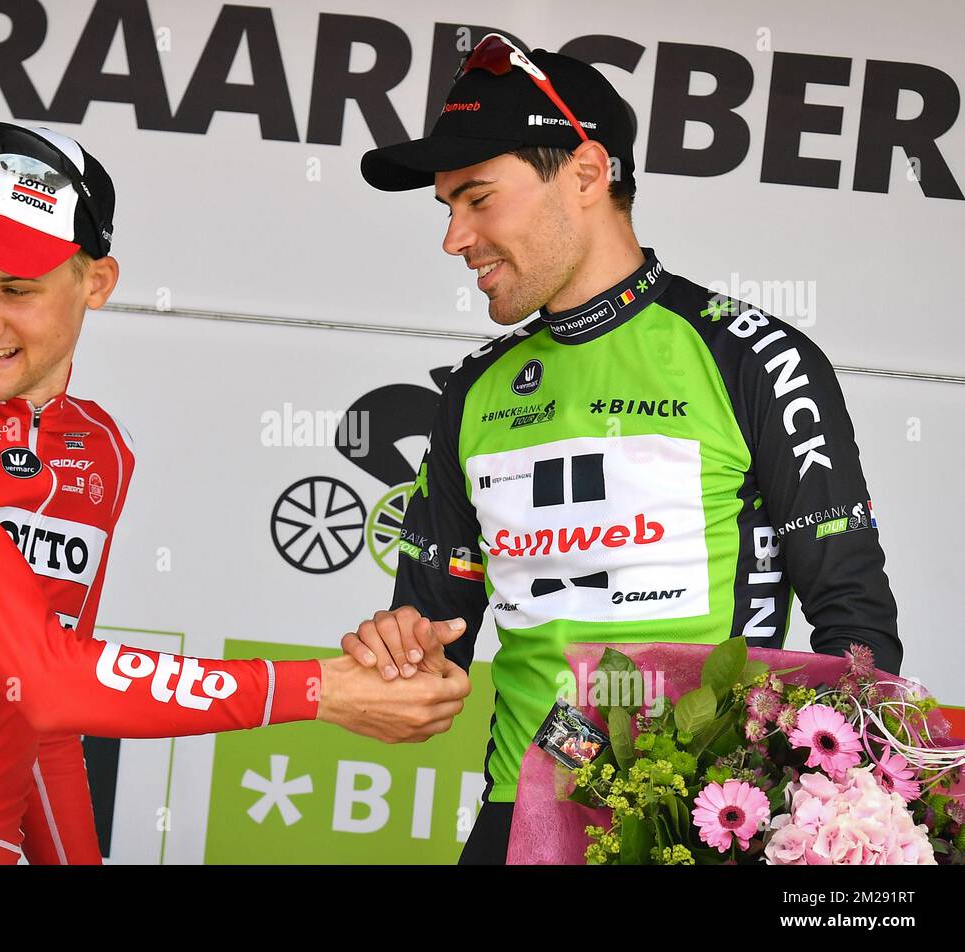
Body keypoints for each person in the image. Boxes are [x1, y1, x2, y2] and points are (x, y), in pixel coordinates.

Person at [0, 121, 470, 865]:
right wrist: (320, 689)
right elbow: (47, 679)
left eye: (15, 288)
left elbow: (48, 719)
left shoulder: (99, 449)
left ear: (96, 282)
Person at [342, 35, 901, 864]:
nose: (454, 238)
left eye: (479, 199)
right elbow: (435, 654)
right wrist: (400, 652)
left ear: (588, 174)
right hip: (520, 820)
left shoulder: (754, 357)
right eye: (446, 207)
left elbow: (856, 640)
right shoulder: (473, 392)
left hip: (707, 825)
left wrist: (798, 825)